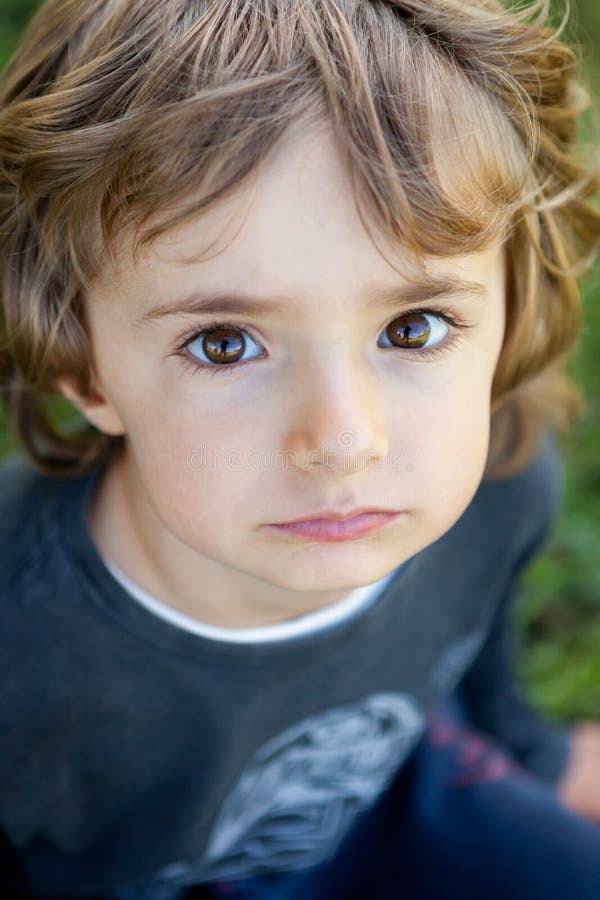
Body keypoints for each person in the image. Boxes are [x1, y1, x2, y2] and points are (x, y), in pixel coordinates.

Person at [0, 0, 599, 897]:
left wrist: (531, 755)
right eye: (224, 344)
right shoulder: (23, 649)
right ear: (85, 366)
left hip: (395, 792)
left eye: (414, 327)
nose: (344, 441)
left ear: (510, 309)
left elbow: (474, 651)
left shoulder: (503, 483)